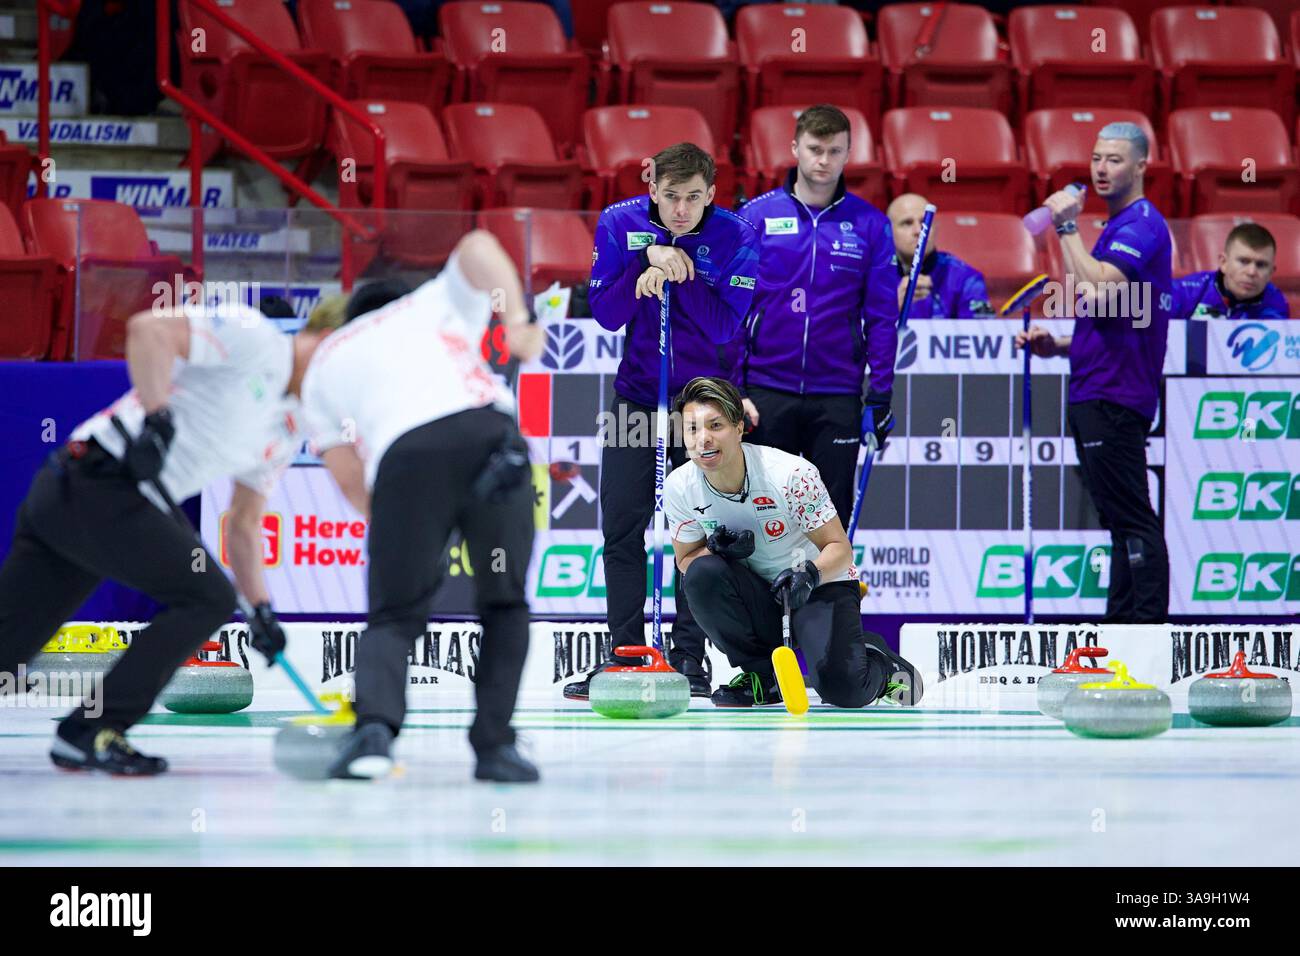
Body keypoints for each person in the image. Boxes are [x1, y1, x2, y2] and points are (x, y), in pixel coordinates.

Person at [0, 299, 336, 774]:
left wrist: (260, 608)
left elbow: (242, 522)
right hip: (94, 480)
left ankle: (85, 734)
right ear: (326, 340)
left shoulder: (289, 427)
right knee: (205, 597)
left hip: (90, 505)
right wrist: (157, 420)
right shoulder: (255, 338)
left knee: (8, 643)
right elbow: (147, 330)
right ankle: (92, 730)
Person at [301, 231, 544, 783]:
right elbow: (482, 242)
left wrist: (405, 536)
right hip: (490, 438)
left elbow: (350, 479)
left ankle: (373, 736)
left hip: (405, 461)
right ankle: (495, 748)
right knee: (503, 603)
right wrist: (518, 322)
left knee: (393, 616)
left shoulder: (325, 363)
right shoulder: (429, 301)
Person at [564, 142, 761, 701]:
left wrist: (683, 273)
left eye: (693, 198)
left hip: (704, 407)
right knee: (622, 529)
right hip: (636, 399)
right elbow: (605, 314)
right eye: (670, 196)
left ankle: (690, 661)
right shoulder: (617, 221)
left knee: (696, 535)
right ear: (651, 188)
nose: (681, 210)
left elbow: (727, 327)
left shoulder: (736, 234)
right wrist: (644, 261)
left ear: (712, 194)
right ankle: (624, 656)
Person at [666, 377, 922, 708]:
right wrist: (715, 550)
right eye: (692, 430)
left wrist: (810, 574)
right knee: (701, 574)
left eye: (716, 425)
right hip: (759, 592)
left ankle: (879, 664)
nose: (704, 439)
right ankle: (763, 677)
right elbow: (685, 558)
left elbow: (840, 550)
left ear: (740, 428)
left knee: (843, 690)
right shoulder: (680, 486)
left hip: (818, 585)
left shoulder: (790, 475)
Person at [1017, 121, 1173, 624]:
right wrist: (1061, 345)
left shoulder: (1141, 225)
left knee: (1132, 520)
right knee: (1121, 522)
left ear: (1142, 166)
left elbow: (1100, 292)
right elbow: (1117, 316)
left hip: (1114, 397)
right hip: (1098, 389)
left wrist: (1065, 227)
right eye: (1097, 159)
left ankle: (1145, 630)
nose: (1102, 169)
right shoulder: (1120, 228)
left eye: (1115, 160)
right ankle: (1123, 628)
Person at [737, 104, 898, 529]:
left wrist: (880, 395)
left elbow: (882, 318)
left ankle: (826, 598)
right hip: (766, 391)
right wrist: (734, 387)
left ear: (848, 154)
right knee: (764, 522)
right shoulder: (756, 217)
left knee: (830, 525)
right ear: (795, 148)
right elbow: (733, 312)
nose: (823, 160)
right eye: (814, 149)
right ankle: (766, 599)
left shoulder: (871, 225)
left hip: (838, 396)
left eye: (834, 151)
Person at [887, 193, 993, 319]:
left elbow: (982, 334)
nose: (919, 230)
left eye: (925, 221)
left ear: (935, 228)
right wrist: (892, 308)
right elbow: (859, 333)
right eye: (907, 223)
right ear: (888, 231)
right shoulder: (870, 276)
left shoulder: (966, 279)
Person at [1174, 222, 1289, 319]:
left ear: (1271, 273)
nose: (1251, 272)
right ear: (1224, 263)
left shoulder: (1275, 303)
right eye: (1244, 261)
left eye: (1261, 265)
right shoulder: (1187, 291)